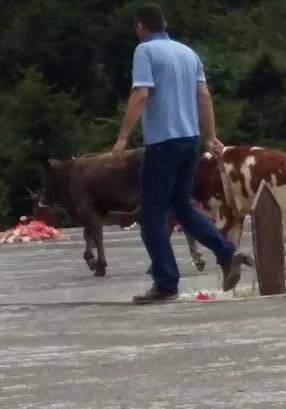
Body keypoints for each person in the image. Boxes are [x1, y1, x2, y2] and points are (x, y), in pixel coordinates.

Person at [112, 3, 248, 305]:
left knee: (151, 215)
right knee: (183, 207)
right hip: (190, 140)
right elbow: (203, 96)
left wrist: (122, 138)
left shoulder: (144, 52)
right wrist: (211, 136)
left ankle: (165, 282)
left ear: (140, 26)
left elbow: (141, 94)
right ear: (164, 24)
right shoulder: (188, 53)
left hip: (163, 143)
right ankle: (227, 254)